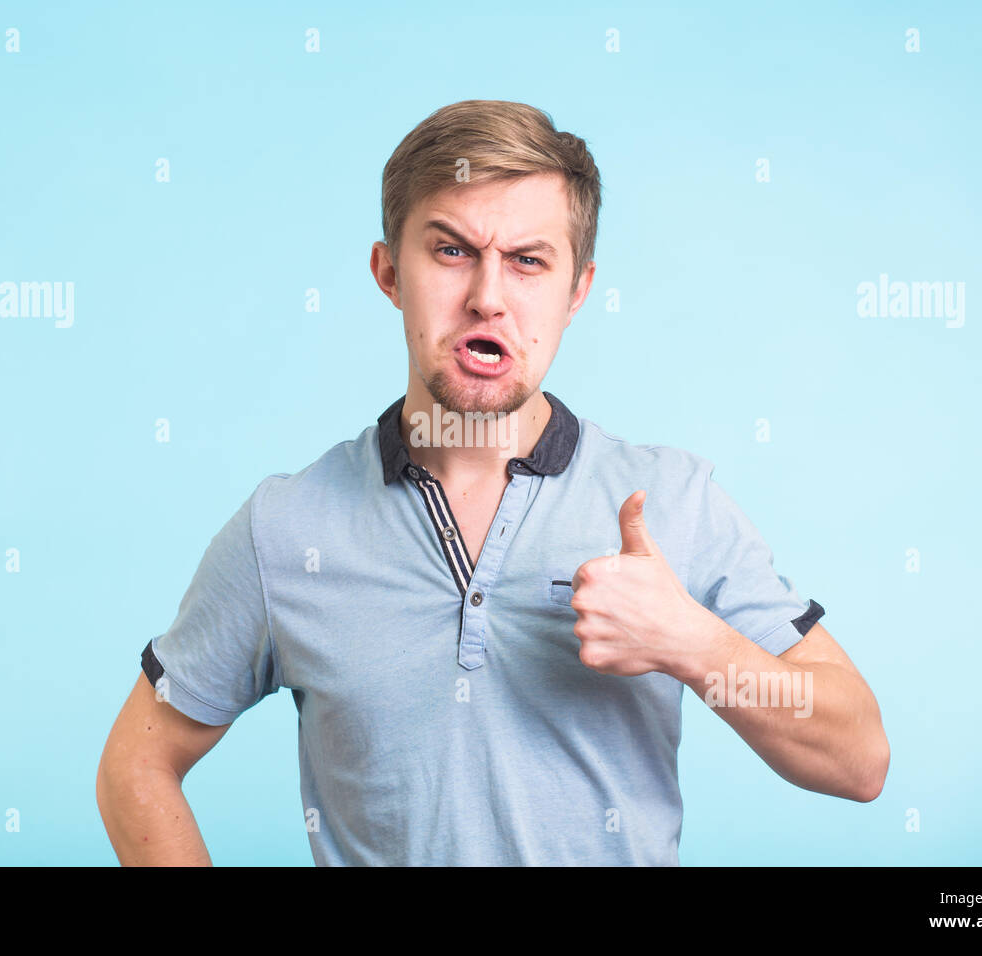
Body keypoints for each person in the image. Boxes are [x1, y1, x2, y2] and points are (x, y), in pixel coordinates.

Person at [96, 99, 889, 866]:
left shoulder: (673, 501)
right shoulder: (285, 530)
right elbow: (136, 765)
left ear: (577, 290)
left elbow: (859, 761)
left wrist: (691, 643)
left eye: (527, 261)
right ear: (387, 272)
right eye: (450, 250)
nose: (487, 297)